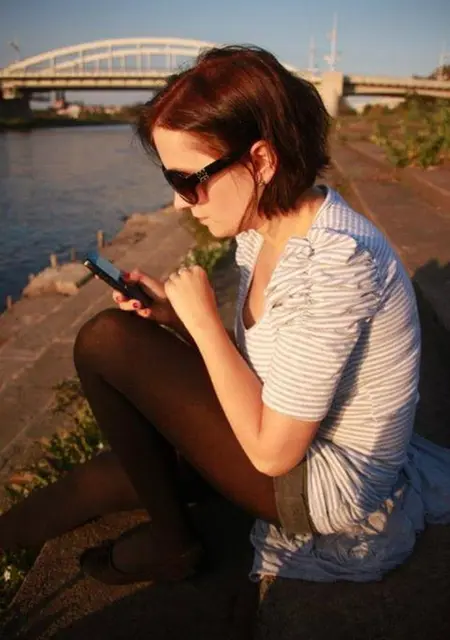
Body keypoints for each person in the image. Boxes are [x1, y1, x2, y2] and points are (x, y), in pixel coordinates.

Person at [1, 45, 450, 585]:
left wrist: (205, 324)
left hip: (323, 481)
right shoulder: (268, 230)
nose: (180, 203)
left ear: (261, 161)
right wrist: (177, 317)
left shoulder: (333, 265)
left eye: (188, 181)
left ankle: (172, 545)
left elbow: (272, 454)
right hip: (289, 432)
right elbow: (274, 370)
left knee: (107, 340)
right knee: (112, 475)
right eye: (172, 182)